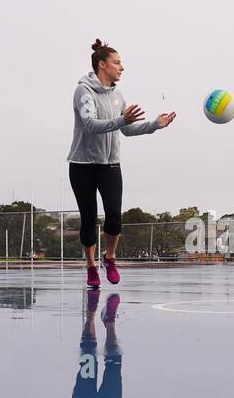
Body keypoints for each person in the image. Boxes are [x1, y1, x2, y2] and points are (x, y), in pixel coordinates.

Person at [68, 39, 176, 289]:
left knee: (115, 217)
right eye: (117, 63)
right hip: (82, 165)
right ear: (102, 65)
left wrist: (155, 125)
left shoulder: (118, 96)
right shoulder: (83, 91)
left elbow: (126, 128)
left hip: (110, 165)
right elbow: (89, 125)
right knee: (88, 220)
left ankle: (110, 257)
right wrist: (120, 120)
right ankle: (91, 266)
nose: (122, 67)